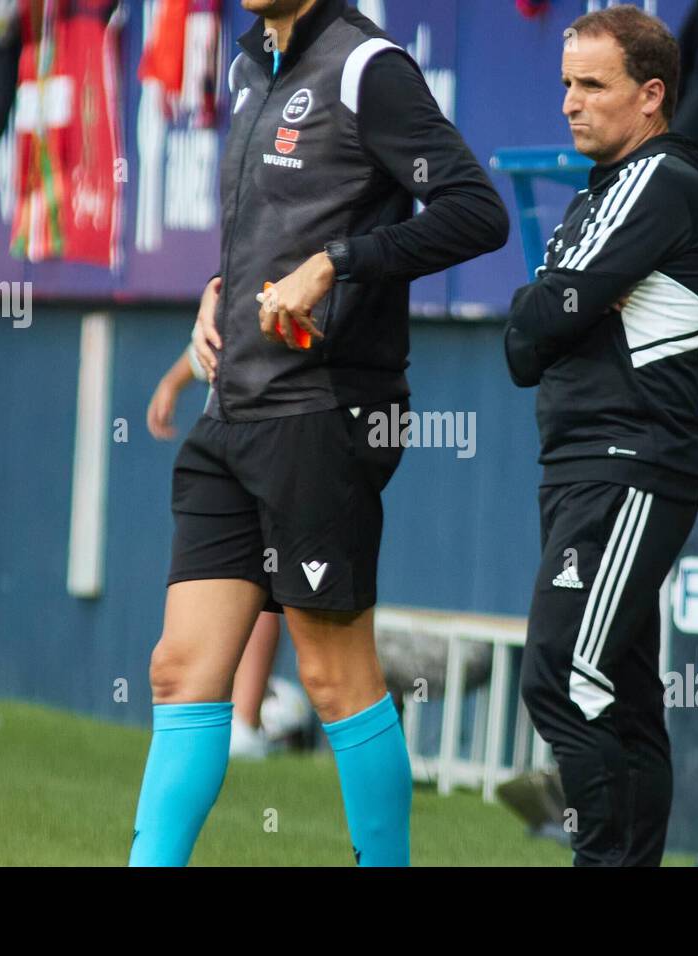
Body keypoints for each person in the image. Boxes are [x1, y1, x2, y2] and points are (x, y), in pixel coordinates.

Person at [127, 0, 508, 867]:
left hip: (324, 414)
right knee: (180, 670)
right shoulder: (251, 60)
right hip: (234, 414)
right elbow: (277, 219)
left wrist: (339, 261)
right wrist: (222, 286)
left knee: (335, 680)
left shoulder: (368, 66)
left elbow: (477, 212)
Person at [503, 4, 698, 866]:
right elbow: (529, 344)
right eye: (565, 84)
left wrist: (557, 309)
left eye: (592, 85)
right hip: (587, 469)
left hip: (625, 470)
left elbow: (531, 328)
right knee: (622, 699)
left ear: (650, 97)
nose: (570, 103)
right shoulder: (602, 193)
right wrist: (557, 309)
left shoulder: (658, 181)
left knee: (563, 678)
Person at [146, 347, 279, 760]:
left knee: (328, 668)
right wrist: (173, 382)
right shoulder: (223, 293)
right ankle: (231, 717)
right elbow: (215, 331)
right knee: (172, 670)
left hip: (291, 440)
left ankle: (248, 718)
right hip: (224, 441)